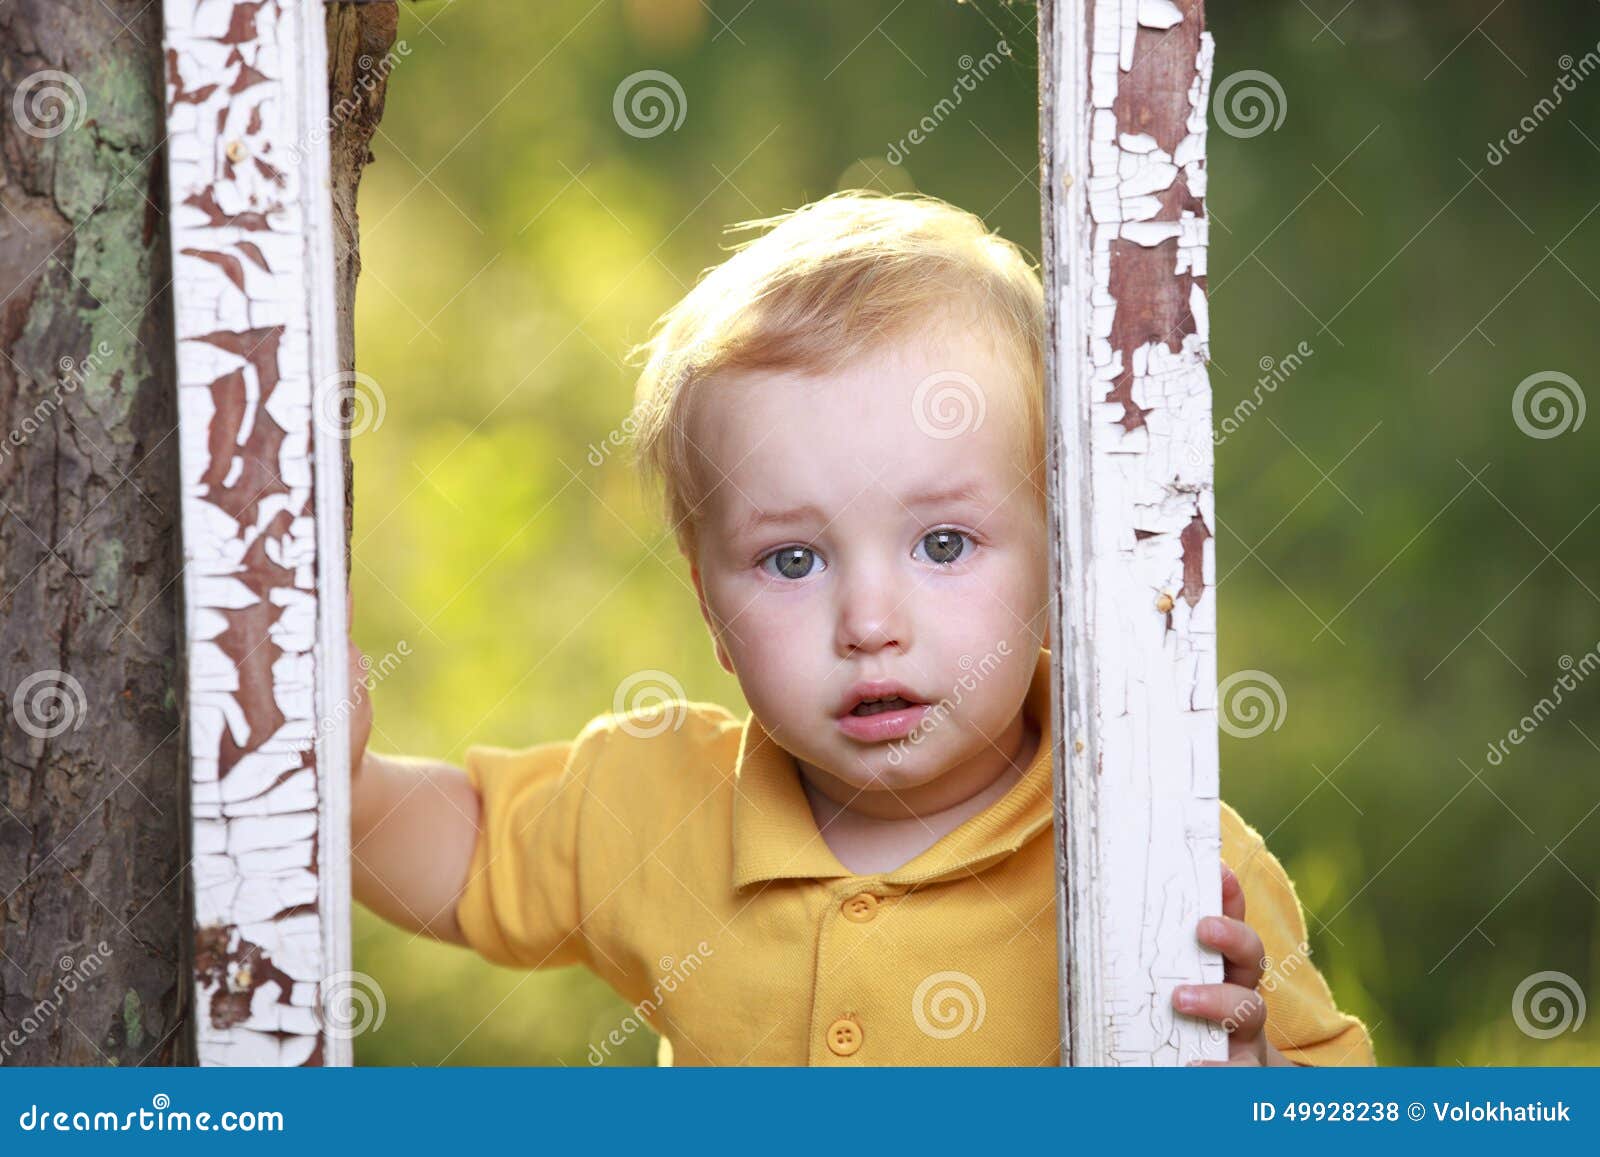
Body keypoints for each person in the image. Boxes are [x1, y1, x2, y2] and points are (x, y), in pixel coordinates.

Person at [347, 190, 1375, 1067]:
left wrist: (1258, 1079)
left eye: (942, 544)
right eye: (792, 560)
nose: (870, 623)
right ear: (710, 608)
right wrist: (342, 788)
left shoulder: (1163, 849)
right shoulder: (659, 801)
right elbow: (473, 849)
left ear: (1064, 566)